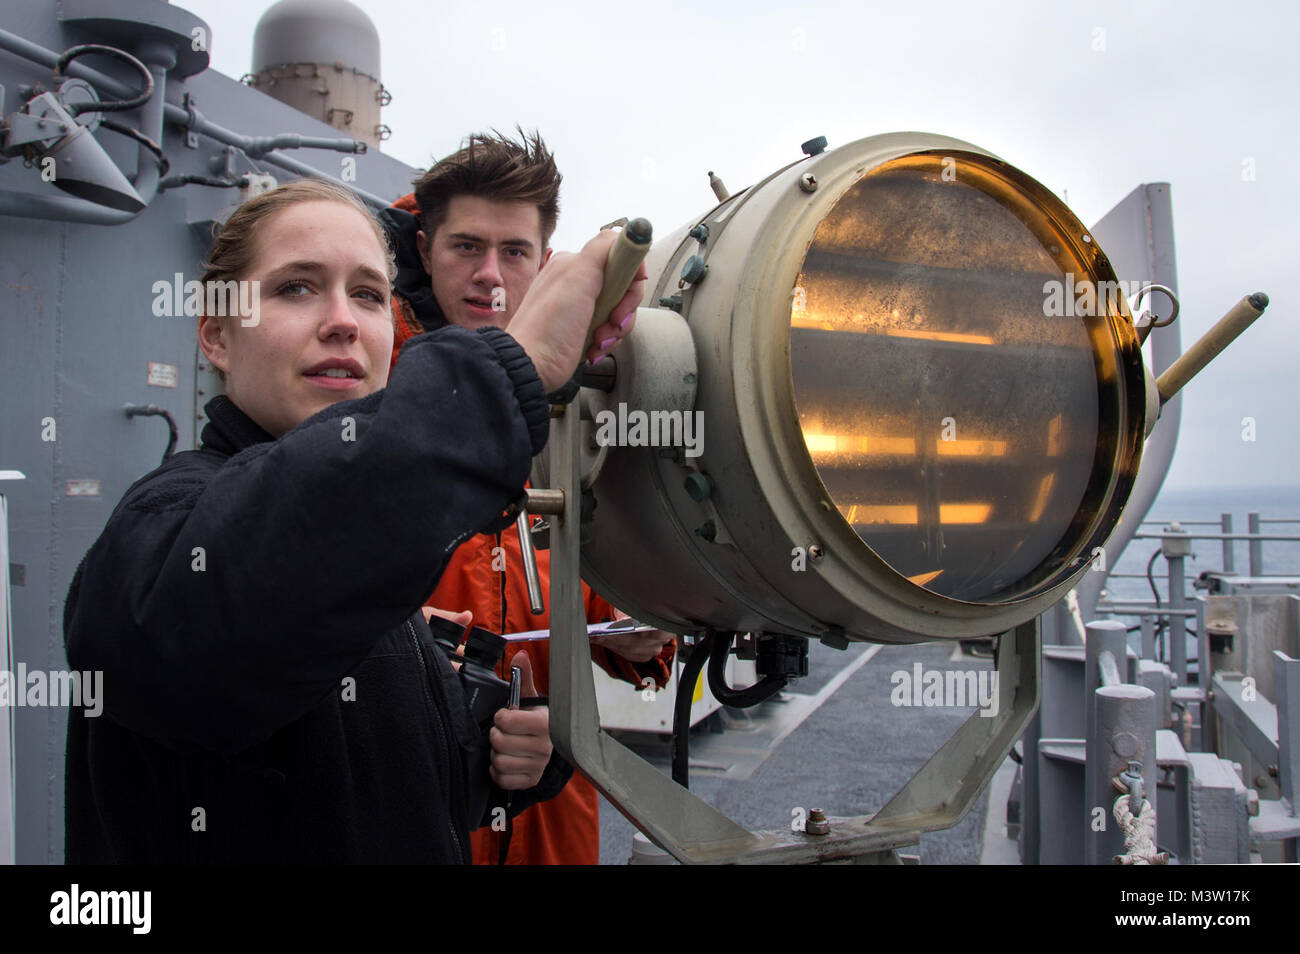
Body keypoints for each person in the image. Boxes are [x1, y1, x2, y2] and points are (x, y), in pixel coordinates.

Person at [61, 178, 644, 863]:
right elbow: (226, 625)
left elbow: (374, 793)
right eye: (296, 288)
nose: (342, 319)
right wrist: (504, 374)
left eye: (368, 294)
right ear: (217, 335)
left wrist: (509, 755)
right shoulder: (165, 526)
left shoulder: (362, 554)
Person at [379, 130, 675, 864]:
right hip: (414, 819)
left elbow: (612, 601)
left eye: (514, 252)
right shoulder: (362, 397)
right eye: (465, 247)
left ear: (545, 265)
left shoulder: (577, 409)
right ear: (422, 250)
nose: (491, 276)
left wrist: (641, 636)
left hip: (551, 829)